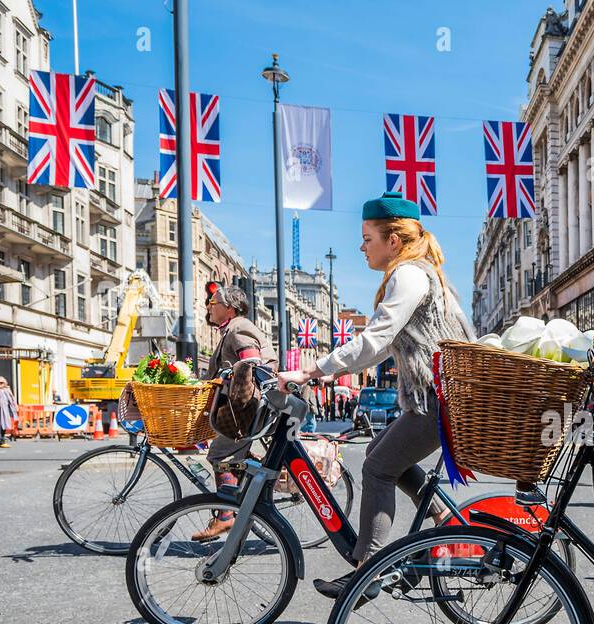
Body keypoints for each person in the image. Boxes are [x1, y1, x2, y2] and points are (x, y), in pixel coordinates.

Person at [277, 191, 474, 598]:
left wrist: (315, 368)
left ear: (393, 240)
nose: (361, 246)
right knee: (377, 455)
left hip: (441, 399)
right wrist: (331, 373)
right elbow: (385, 345)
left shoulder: (410, 275)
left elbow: (376, 337)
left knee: (378, 468)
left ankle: (368, 569)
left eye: (367, 237)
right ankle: (442, 519)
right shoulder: (416, 274)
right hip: (437, 396)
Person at [191, 285, 276, 542]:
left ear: (230, 307)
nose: (209, 306)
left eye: (213, 302)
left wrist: (234, 379)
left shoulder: (239, 328)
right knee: (230, 456)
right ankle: (245, 475)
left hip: (245, 410)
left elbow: (252, 363)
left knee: (218, 454)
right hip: (244, 408)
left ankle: (226, 517)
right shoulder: (232, 328)